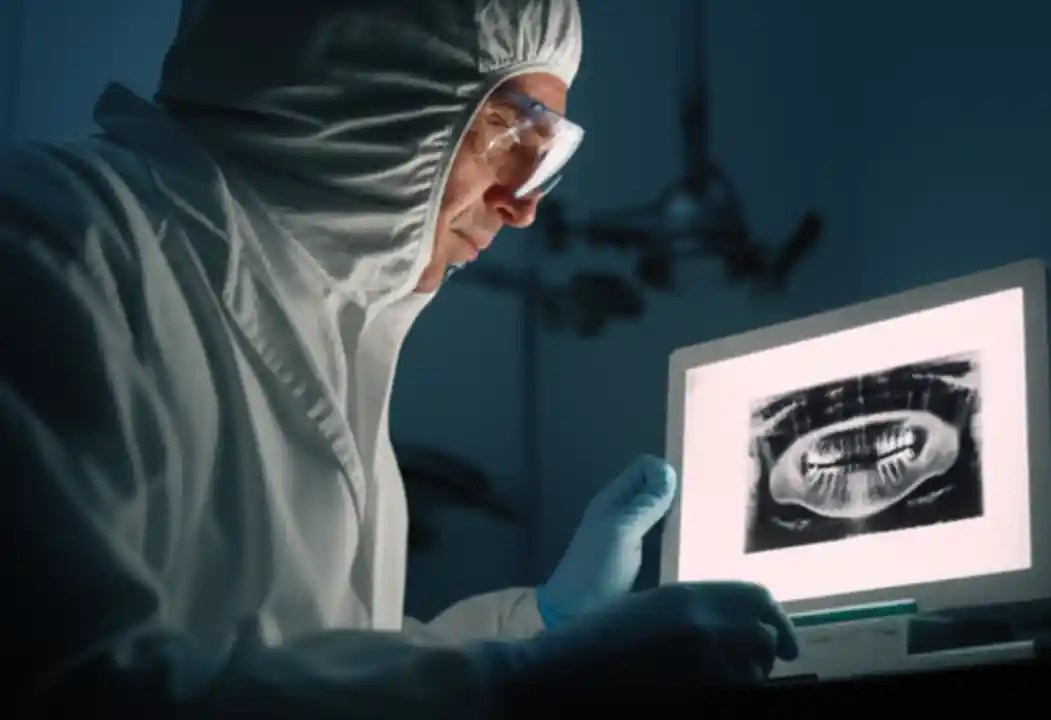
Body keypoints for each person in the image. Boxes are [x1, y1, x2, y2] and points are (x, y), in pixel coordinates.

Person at [0, 0, 799, 716]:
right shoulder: (49, 241)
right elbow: (74, 686)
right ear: (369, 89)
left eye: (548, 158)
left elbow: (316, 657)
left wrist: (540, 630)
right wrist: (524, 687)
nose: (521, 207)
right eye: (518, 138)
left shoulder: (324, 320)